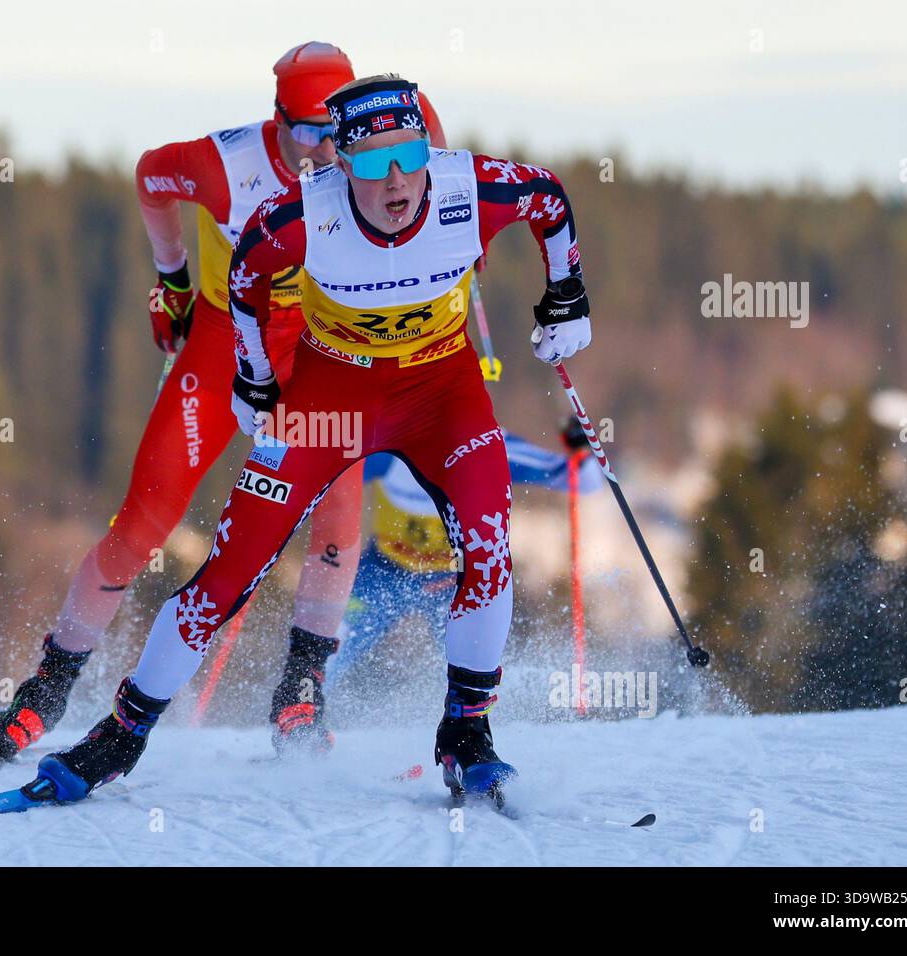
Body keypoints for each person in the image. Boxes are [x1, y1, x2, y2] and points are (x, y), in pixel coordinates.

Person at [29, 73, 592, 805]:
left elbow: (549, 198)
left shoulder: (468, 188)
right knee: (229, 571)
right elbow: (244, 284)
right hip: (331, 403)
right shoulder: (295, 218)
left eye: (409, 156)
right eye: (369, 163)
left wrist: (566, 295)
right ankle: (121, 734)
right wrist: (255, 380)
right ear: (339, 164)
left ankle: (468, 731)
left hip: (441, 399)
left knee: (488, 550)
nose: (395, 181)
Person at [0, 46, 447, 760]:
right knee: (142, 525)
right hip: (227, 343)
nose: (324, 150)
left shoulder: (381, 132)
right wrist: (172, 279)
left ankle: (301, 689)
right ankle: (47, 687)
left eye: (334, 130)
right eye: (306, 131)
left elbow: (443, 179)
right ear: (277, 117)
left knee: (339, 513)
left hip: (323, 348)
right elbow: (149, 179)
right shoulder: (225, 165)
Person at [327, 426, 602, 692]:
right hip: (386, 571)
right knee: (327, 647)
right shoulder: (387, 444)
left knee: (480, 669)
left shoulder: (489, 447)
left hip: (455, 580)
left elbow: (586, 480)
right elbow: (307, 462)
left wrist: (581, 450)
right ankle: (303, 711)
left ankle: (490, 724)